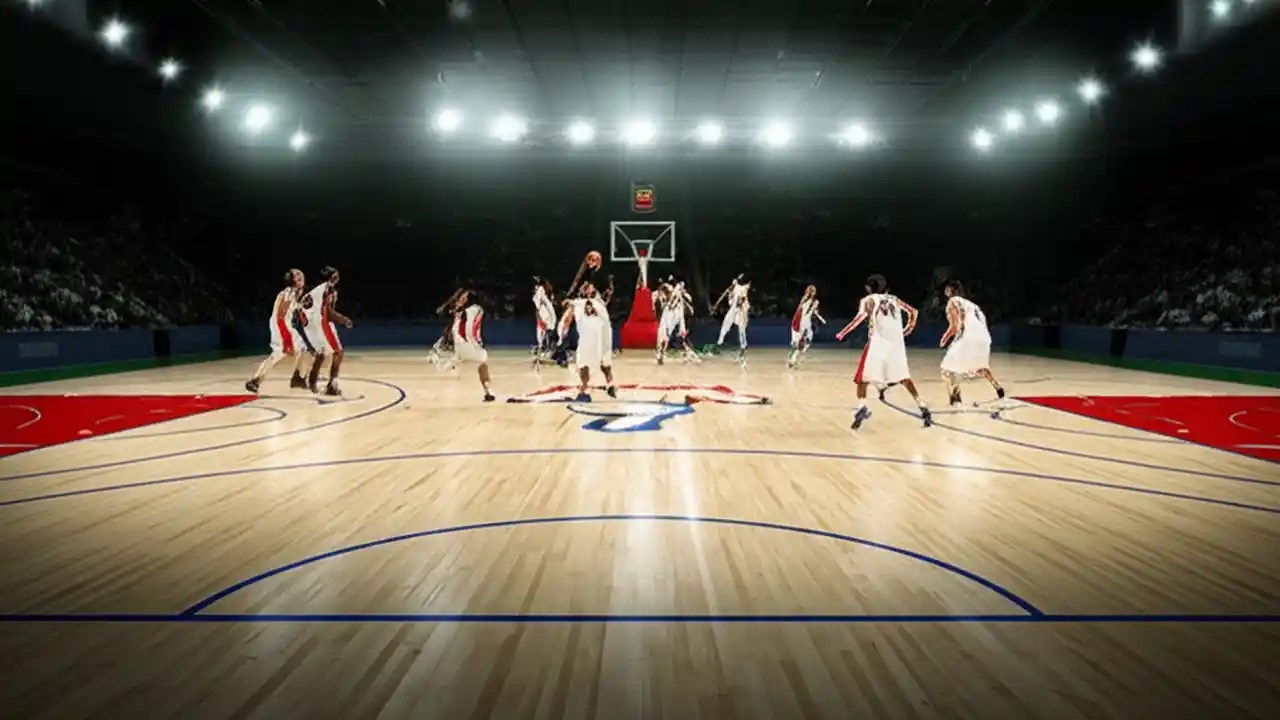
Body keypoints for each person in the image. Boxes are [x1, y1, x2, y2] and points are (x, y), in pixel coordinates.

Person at [835, 274, 932, 429]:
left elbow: (858, 319)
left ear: (868, 288)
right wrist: (907, 330)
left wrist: (842, 333)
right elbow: (914, 312)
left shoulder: (868, 300)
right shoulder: (894, 299)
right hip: (896, 344)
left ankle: (862, 407)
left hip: (877, 343)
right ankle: (922, 406)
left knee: (862, 379)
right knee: (904, 377)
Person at [245, 268, 312, 393]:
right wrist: (286, 337)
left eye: (300, 273)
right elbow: (281, 316)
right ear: (292, 280)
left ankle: (298, 378)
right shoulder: (287, 293)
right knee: (279, 354)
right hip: (281, 326)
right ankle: (255, 380)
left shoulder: (296, 293)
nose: (300, 274)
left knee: (304, 348)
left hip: (287, 326)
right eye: (296, 274)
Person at [939, 280, 1005, 406]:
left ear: (952, 291)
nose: (945, 291)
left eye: (947, 288)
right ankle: (997, 387)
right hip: (983, 337)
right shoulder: (971, 304)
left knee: (946, 369)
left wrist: (944, 338)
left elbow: (955, 326)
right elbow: (982, 320)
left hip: (968, 336)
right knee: (981, 367)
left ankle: (955, 397)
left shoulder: (952, 302)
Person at [560, 281, 617, 401]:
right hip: (603, 335)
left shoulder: (578, 304)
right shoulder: (600, 303)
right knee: (604, 362)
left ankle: (585, 390)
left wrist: (562, 334)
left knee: (583, 363)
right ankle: (610, 383)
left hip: (589, 336)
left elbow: (567, 318)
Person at [302, 266, 354, 396]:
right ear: (330, 278)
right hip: (319, 322)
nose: (337, 279)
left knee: (322, 354)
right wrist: (343, 319)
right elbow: (328, 312)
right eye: (335, 276)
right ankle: (330, 383)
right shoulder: (327, 290)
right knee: (338, 352)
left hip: (313, 323)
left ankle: (314, 381)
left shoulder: (318, 290)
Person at [449, 289, 496, 402]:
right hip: (471, 344)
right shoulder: (477, 310)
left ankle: (455, 364)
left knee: (471, 362)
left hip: (459, 346)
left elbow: (455, 328)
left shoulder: (459, 312)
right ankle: (488, 391)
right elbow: (473, 328)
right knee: (483, 365)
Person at [713, 274, 751, 362]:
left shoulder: (743, 288)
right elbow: (729, 299)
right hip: (733, 309)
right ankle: (719, 343)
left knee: (741, 329)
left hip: (739, 310)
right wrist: (730, 293)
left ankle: (743, 347)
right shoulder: (734, 288)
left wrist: (740, 302)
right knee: (726, 324)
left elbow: (743, 298)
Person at [787, 284, 825, 369]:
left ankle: (792, 359)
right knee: (802, 343)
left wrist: (819, 316)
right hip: (803, 323)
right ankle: (793, 360)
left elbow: (805, 311)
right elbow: (809, 312)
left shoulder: (805, 299)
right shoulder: (813, 301)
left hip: (798, 322)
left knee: (799, 343)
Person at [531, 277, 558, 365]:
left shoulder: (546, 296)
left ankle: (548, 350)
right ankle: (542, 350)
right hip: (544, 318)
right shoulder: (538, 295)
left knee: (548, 333)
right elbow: (538, 309)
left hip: (548, 318)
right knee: (543, 335)